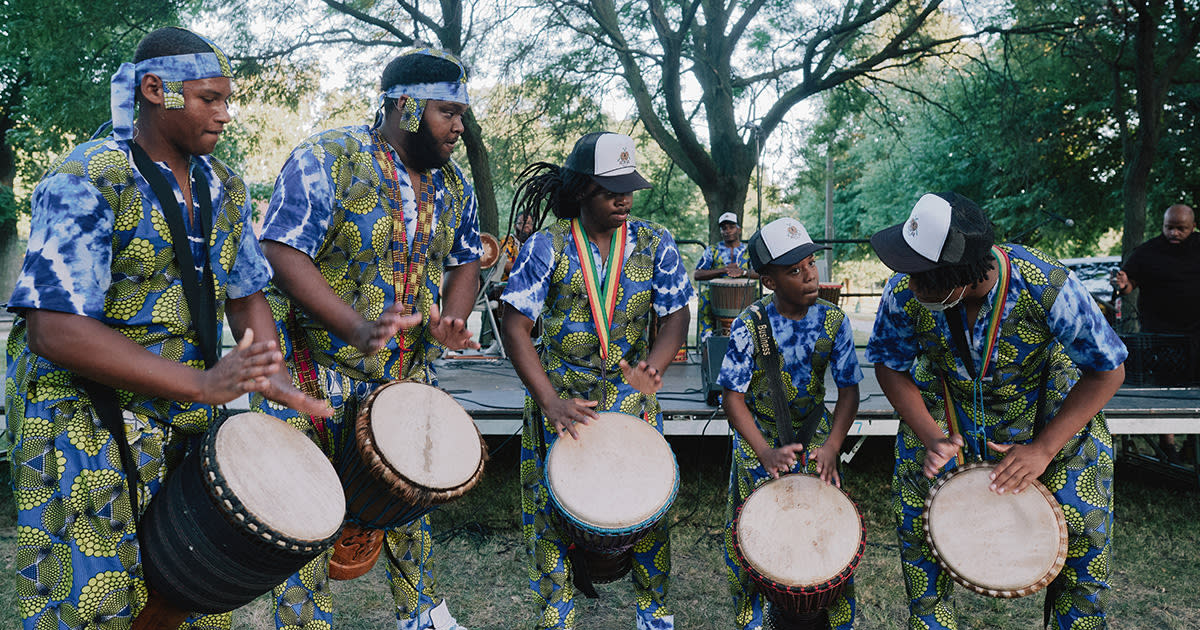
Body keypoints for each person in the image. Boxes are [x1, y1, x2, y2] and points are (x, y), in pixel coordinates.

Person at [5, 26, 328, 630]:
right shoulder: (88, 177)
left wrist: (273, 376)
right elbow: (55, 330)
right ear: (156, 90)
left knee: (187, 585)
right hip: (80, 415)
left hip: (180, 410)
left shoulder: (224, 184)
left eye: (227, 100)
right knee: (94, 599)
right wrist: (202, 384)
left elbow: (246, 295)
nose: (224, 114)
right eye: (209, 99)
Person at [249, 47, 482, 630]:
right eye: (448, 112)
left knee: (415, 494)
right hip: (311, 366)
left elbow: (465, 261)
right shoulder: (329, 158)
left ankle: (423, 616)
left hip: (402, 371)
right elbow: (280, 250)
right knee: (300, 507)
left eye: (462, 114)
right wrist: (353, 325)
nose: (459, 126)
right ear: (405, 108)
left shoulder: (453, 185)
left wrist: (453, 319)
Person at [866, 192, 1127, 630]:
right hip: (945, 412)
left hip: (1046, 414)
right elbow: (890, 366)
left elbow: (1108, 370)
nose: (909, 286)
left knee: (1084, 531)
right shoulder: (904, 292)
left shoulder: (1045, 283)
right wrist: (932, 438)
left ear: (960, 275)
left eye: (920, 278)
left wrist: (1042, 450)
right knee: (919, 525)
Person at [499, 131, 693, 630]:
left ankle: (654, 611)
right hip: (563, 403)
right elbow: (515, 325)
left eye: (629, 189)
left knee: (649, 507)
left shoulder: (655, 243)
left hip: (632, 400)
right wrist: (549, 402)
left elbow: (677, 314)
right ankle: (556, 613)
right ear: (583, 189)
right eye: (612, 191)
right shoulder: (547, 247)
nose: (624, 200)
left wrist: (654, 366)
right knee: (550, 510)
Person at [718, 217, 862, 630]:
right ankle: (752, 618)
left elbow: (849, 391)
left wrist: (833, 446)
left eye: (811, 263)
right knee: (751, 533)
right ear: (769, 281)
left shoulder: (834, 321)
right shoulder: (751, 324)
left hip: (817, 435)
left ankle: (832, 615)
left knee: (829, 530)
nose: (810, 275)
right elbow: (732, 397)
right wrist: (764, 452)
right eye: (794, 270)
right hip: (759, 436)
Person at [1111, 203, 1199, 459]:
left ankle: (1192, 445)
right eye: (1169, 227)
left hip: (1197, 331)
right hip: (1160, 332)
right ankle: (1167, 447)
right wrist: (1122, 284)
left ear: (1193, 227)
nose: (1174, 233)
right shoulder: (1148, 251)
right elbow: (1128, 284)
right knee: (1164, 388)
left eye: (1181, 228)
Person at [694, 211, 758, 343]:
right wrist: (723, 270)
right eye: (724, 228)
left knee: (759, 303)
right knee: (704, 299)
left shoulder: (748, 251)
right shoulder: (712, 250)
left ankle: (753, 342)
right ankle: (707, 342)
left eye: (731, 227)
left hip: (744, 295)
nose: (727, 231)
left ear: (739, 229)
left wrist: (743, 272)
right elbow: (697, 274)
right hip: (716, 296)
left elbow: (760, 273)